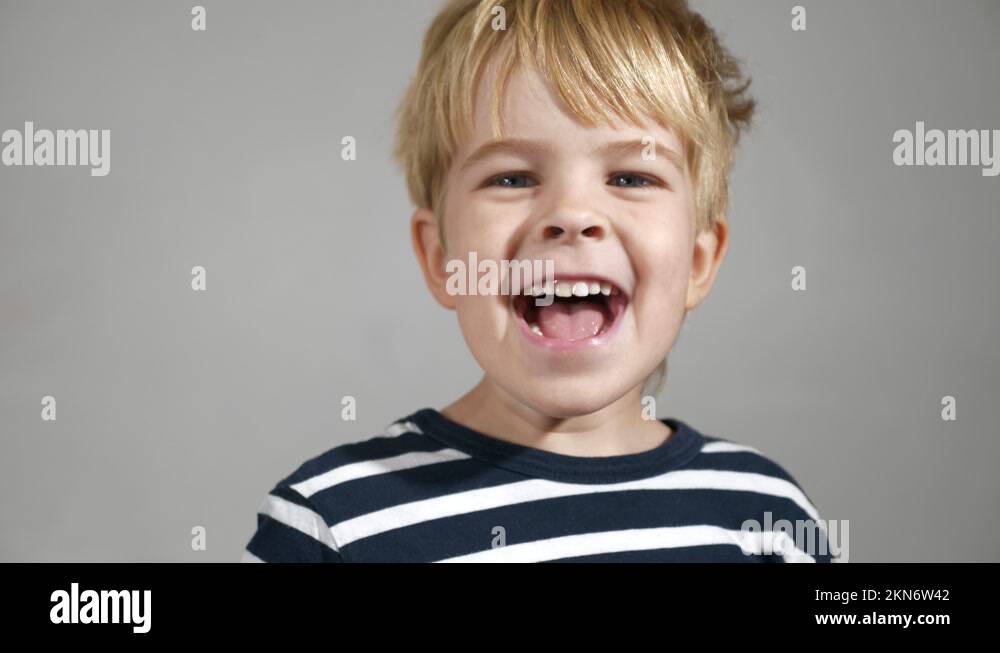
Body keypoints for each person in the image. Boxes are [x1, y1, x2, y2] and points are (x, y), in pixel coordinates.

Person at [242, 0, 836, 563]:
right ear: (440, 259)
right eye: (513, 178)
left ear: (700, 263)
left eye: (631, 177)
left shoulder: (767, 518)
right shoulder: (331, 523)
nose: (572, 213)